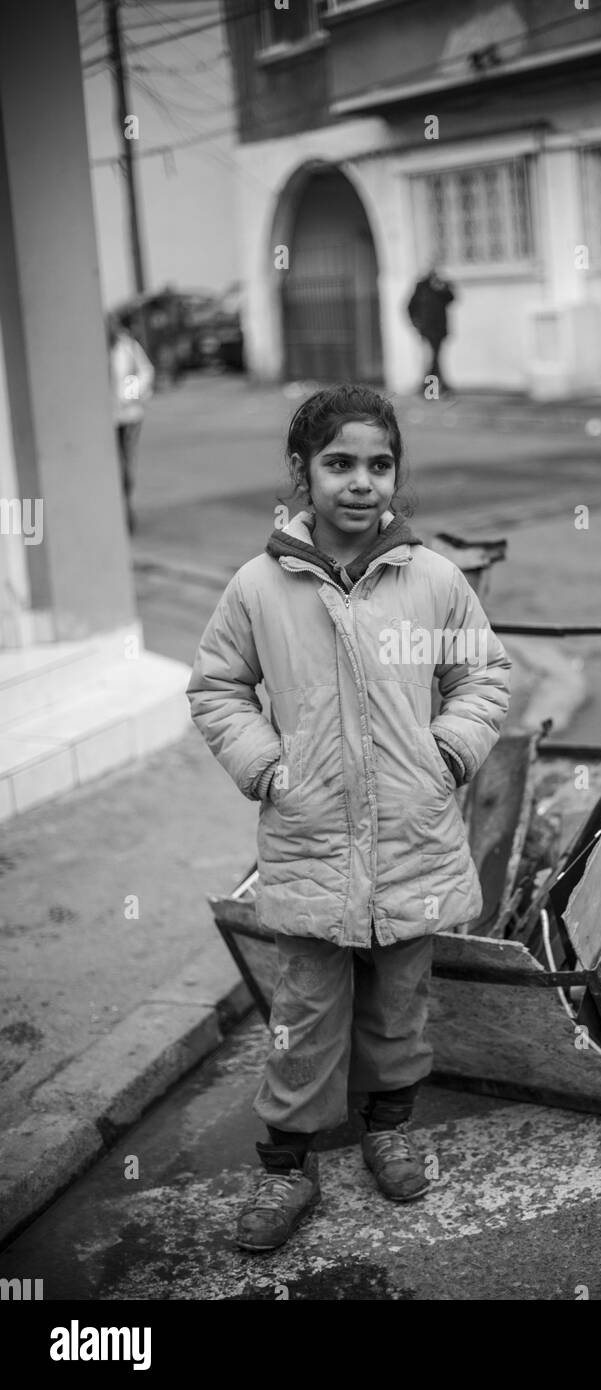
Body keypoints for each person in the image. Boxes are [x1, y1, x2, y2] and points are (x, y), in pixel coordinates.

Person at [186, 383, 511, 1252]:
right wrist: (266, 767)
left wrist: (446, 753)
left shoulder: (433, 579)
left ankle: (389, 1128)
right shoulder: (259, 588)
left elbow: (482, 676)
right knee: (303, 1016)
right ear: (301, 473)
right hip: (311, 846)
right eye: (339, 464)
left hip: (410, 843)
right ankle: (288, 1168)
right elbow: (217, 688)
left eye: (378, 464)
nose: (361, 483)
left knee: (399, 1007)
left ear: (396, 474)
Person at [107, 314, 154, 534]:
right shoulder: (90, 349)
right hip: (104, 418)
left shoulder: (127, 346)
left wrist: (130, 393)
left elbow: (144, 371)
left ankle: (124, 511)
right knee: (113, 466)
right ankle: (118, 511)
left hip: (127, 415)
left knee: (124, 466)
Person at [407, 266, 456, 396]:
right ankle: (432, 389)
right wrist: (416, 323)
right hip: (426, 330)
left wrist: (442, 288)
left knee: (435, 359)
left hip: (439, 329)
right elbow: (410, 307)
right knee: (432, 359)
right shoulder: (421, 287)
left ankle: (433, 389)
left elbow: (451, 298)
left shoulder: (441, 286)